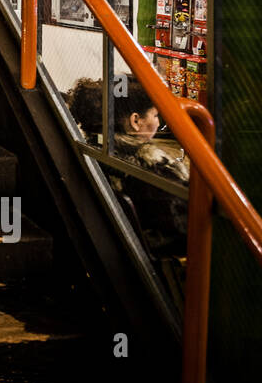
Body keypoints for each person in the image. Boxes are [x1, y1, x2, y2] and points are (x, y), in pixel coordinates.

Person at [66, 75, 189, 255]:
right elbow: (185, 224)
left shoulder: (90, 149)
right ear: (135, 121)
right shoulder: (153, 166)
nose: (158, 122)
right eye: (155, 115)